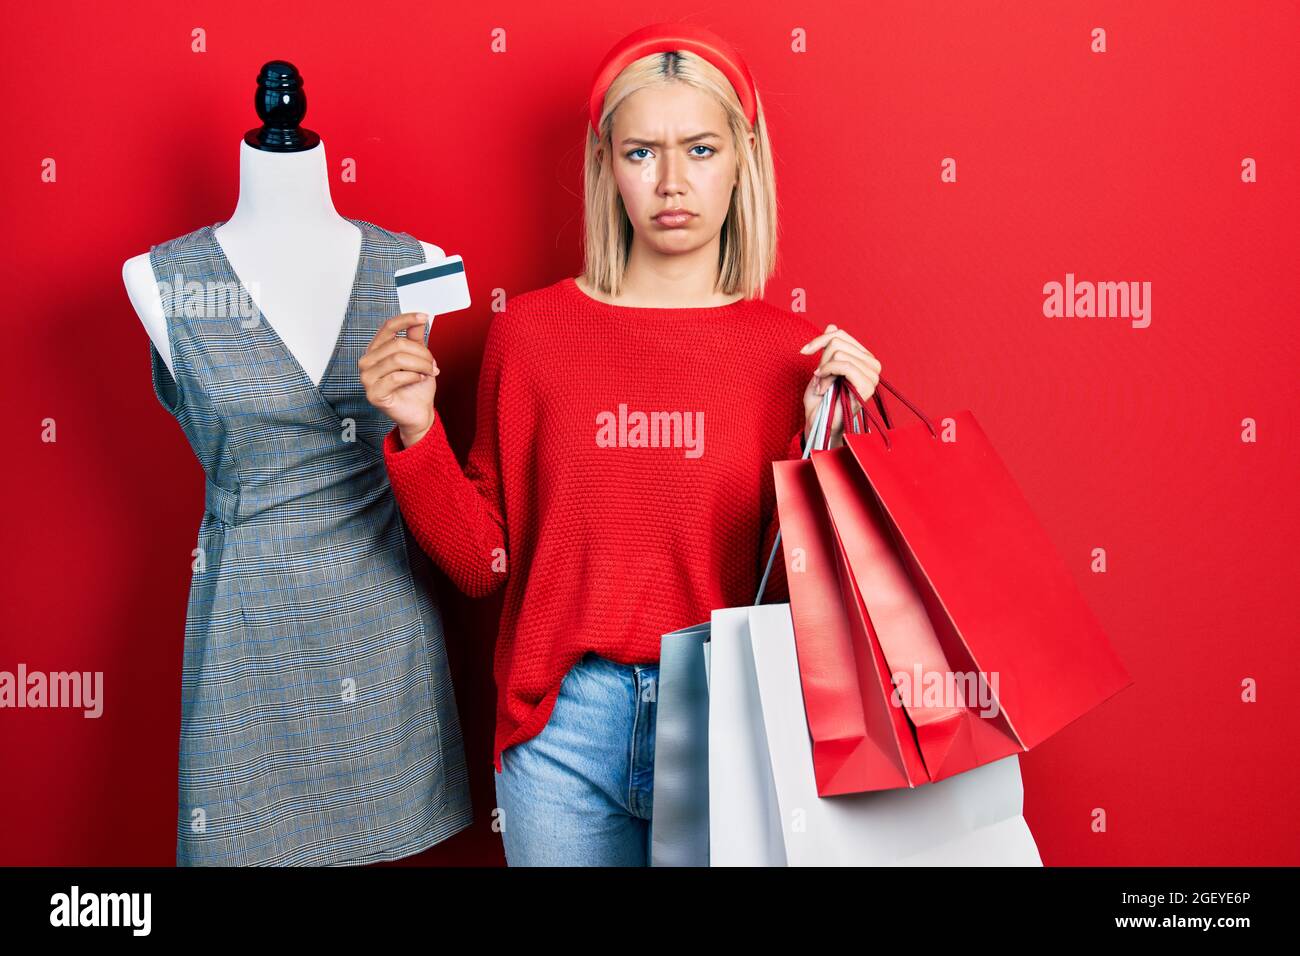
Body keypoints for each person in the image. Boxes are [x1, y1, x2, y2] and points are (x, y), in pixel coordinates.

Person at [359, 22, 881, 866]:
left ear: (744, 158)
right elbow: (482, 563)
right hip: (563, 730)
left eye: (701, 149)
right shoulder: (529, 334)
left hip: (731, 724)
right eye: (642, 152)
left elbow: (810, 600)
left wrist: (836, 441)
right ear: (607, 165)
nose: (673, 181)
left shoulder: (794, 354)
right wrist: (418, 432)